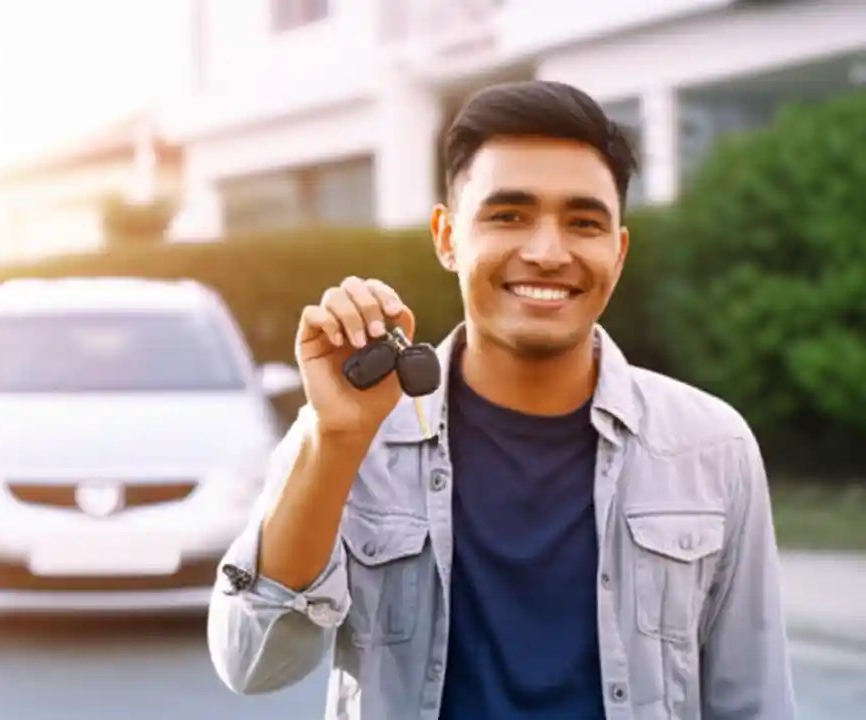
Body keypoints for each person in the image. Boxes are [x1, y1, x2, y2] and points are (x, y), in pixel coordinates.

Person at [206, 80, 795, 719]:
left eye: (584, 222)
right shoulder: (347, 430)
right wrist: (337, 441)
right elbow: (254, 664)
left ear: (618, 253)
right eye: (508, 215)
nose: (547, 252)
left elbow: (754, 701)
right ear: (447, 236)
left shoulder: (712, 446)